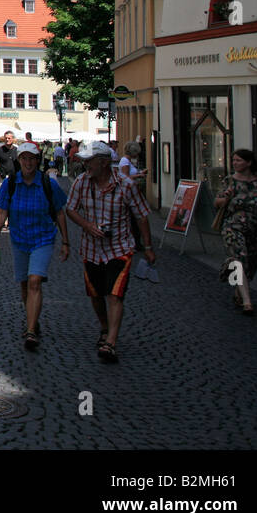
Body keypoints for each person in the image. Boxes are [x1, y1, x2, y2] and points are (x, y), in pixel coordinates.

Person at [64, 141, 154, 363]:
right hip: (91, 248)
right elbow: (71, 209)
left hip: (120, 248)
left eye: (89, 161)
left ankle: (111, 342)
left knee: (115, 294)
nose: (86, 165)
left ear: (104, 163)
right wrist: (86, 225)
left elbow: (142, 215)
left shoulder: (125, 184)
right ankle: (105, 327)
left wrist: (148, 247)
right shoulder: (81, 182)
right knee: (95, 294)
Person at [0, 142, 70, 350]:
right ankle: (32, 319)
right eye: (24, 158)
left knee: (35, 280)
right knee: (25, 284)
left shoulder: (47, 183)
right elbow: (1, 211)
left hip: (43, 238)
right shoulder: (11, 183)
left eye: (32, 159)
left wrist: (66, 241)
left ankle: (31, 330)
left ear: (37, 161)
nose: (28, 162)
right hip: (19, 238)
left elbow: (60, 212)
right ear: (19, 161)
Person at [213, 148, 257, 315]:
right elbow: (217, 202)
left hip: (256, 230)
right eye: (233, 160)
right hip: (232, 227)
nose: (235, 163)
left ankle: (239, 291)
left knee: (251, 263)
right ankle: (247, 301)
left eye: (238, 160)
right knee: (239, 258)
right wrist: (226, 198)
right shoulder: (229, 181)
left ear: (249, 163)